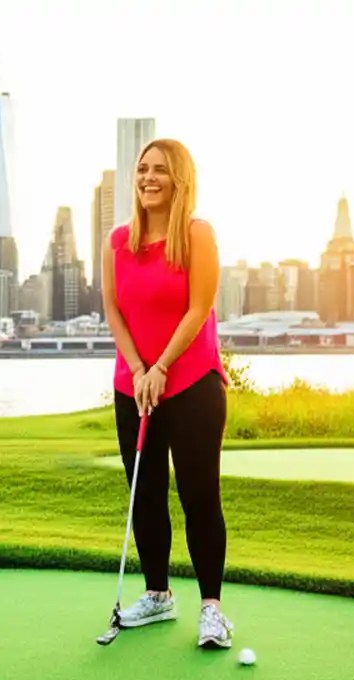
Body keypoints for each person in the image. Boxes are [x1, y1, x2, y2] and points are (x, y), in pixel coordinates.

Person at [101, 138, 233, 649]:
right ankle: (157, 595)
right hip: (132, 387)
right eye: (142, 169)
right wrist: (138, 369)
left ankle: (212, 608)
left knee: (199, 496)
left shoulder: (197, 235)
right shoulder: (118, 241)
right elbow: (113, 312)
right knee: (146, 496)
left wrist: (161, 366)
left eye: (160, 170)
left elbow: (198, 307)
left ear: (180, 180)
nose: (148, 177)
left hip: (193, 382)